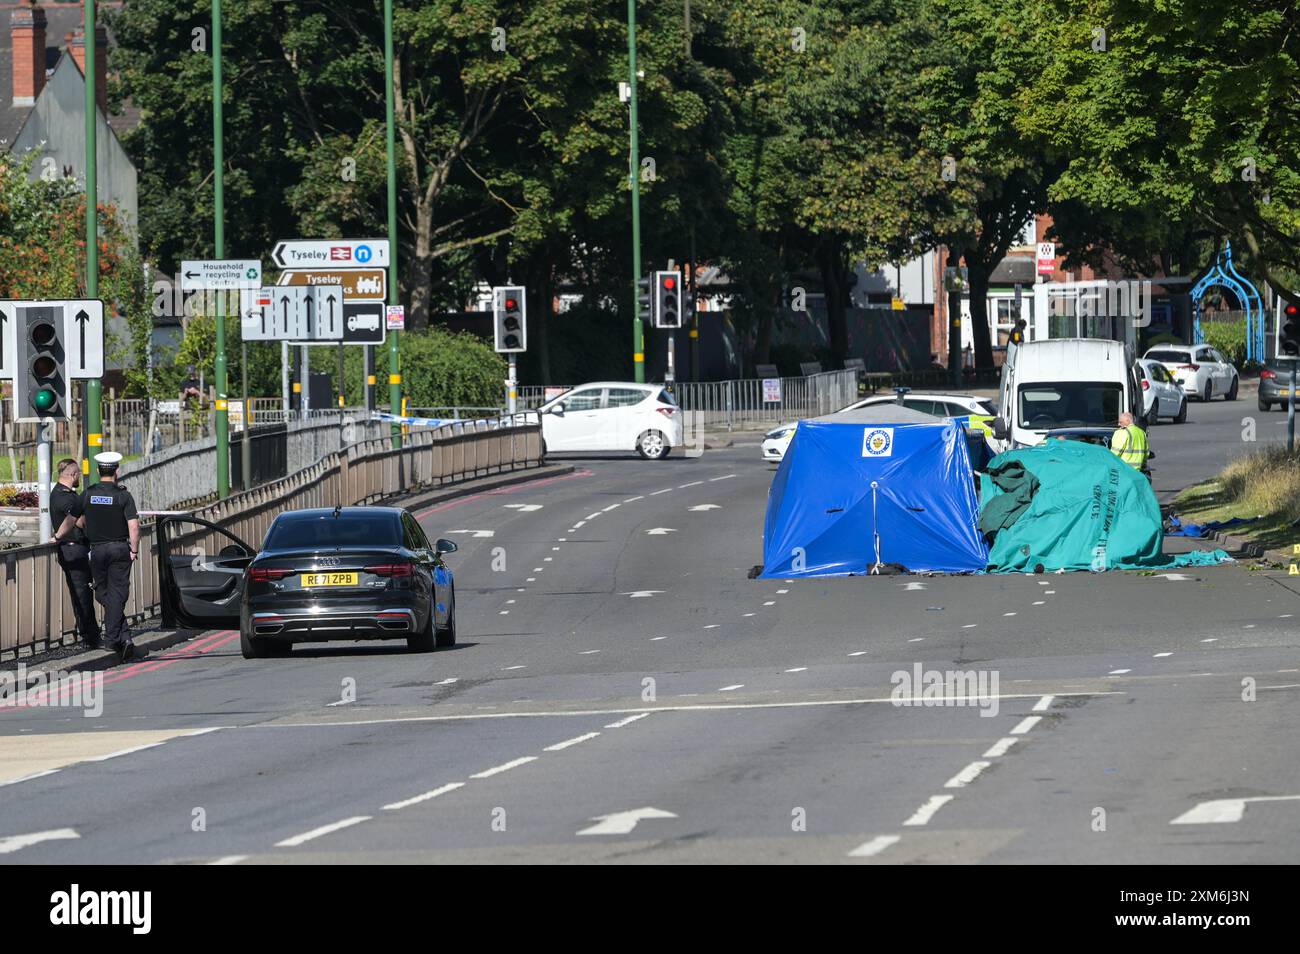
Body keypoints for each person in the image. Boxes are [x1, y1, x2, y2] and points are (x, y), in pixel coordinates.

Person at [51, 452, 140, 662]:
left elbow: (71, 519)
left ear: (99, 471)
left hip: (97, 551)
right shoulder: (123, 495)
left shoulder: (88, 494)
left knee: (102, 593)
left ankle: (121, 638)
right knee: (115, 594)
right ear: (116, 471)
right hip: (119, 549)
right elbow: (134, 526)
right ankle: (116, 638)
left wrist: (57, 536)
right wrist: (134, 549)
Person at [48, 458, 101, 649]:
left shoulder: (59, 493)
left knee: (81, 593)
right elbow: (80, 522)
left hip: (71, 549)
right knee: (83, 594)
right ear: (73, 474)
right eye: (78, 474)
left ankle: (88, 634)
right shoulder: (67, 497)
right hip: (74, 549)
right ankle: (91, 637)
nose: (79, 477)